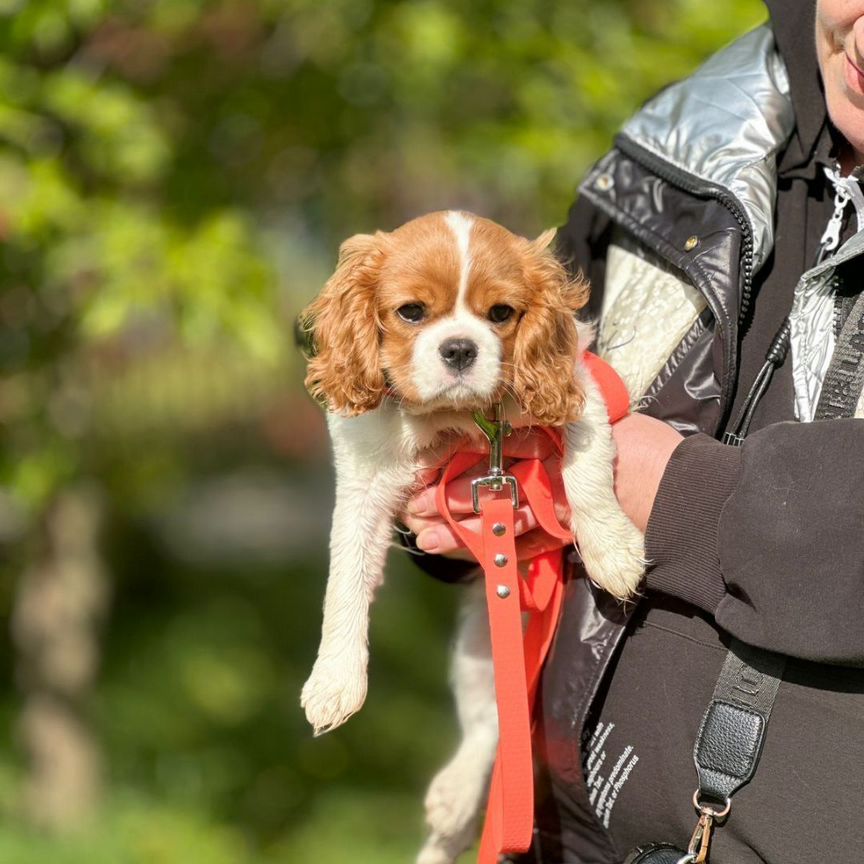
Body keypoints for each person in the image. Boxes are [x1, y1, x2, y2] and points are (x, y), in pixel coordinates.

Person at [400, 1, 864, 860]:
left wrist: (686, 497)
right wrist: (452, 490)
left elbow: (651, 482)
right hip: (570, 830)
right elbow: (527, 361)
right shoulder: (691, 139)